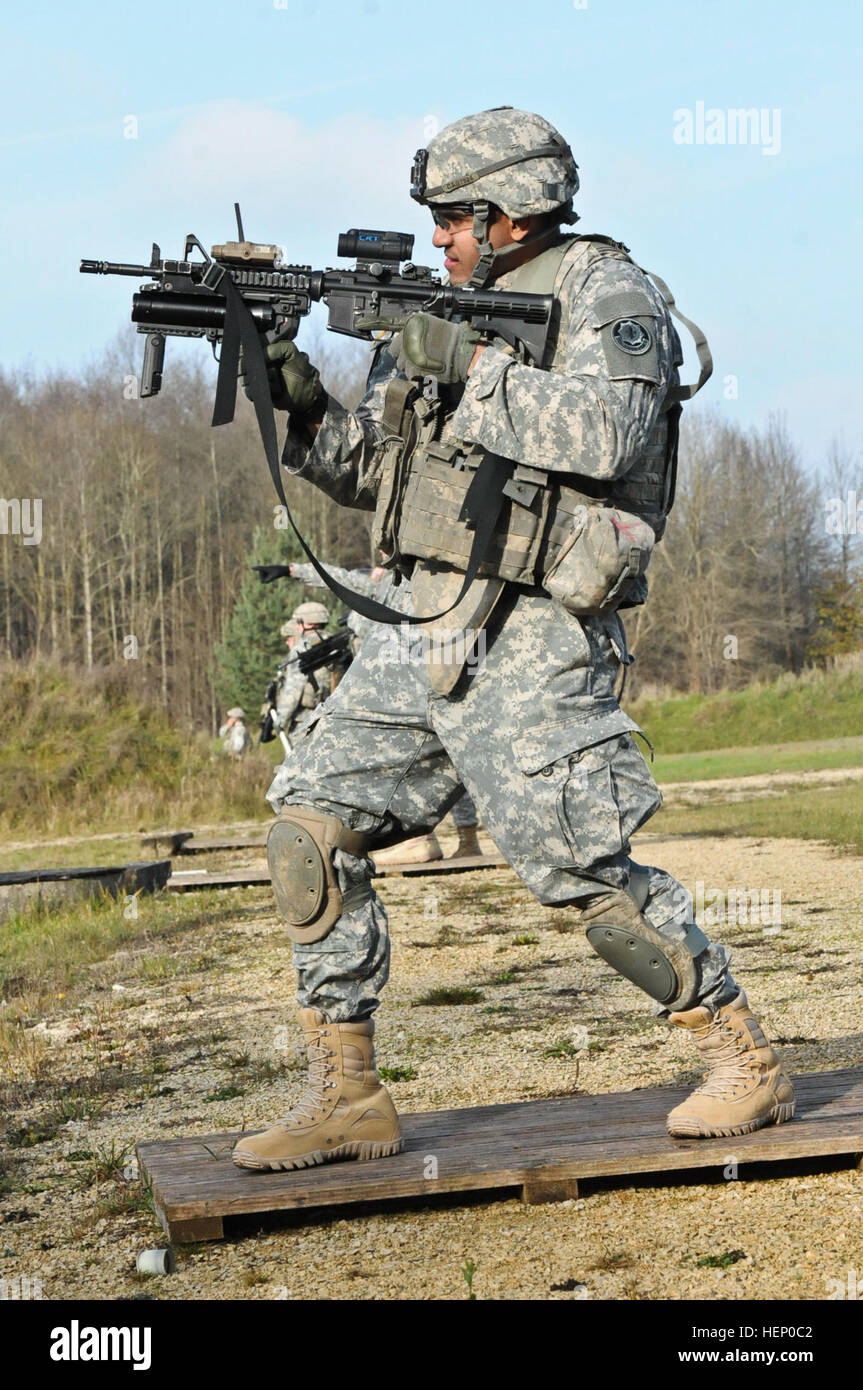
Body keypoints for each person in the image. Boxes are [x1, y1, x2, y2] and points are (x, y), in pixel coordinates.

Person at [232, 107, 794, 1172]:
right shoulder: (444, 308)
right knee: (306, 829)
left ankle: (738, 1056)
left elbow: (611, 432)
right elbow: (378, 473)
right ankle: (346, 1094)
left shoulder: (605, 294)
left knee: (579, 872)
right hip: (420, 621)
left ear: (510, 211)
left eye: (450, 219)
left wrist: (466, 363)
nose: (437, 239)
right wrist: (298, 403)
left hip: (532, 628)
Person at [280, 559, 483, 860]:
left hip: (401, 694)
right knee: (450, 765)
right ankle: (462, 839)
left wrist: (294, 571)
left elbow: (343, 579)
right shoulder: (413, 582)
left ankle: (417, 842)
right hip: (439, 681)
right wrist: (295, 571)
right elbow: (343, 578)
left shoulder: (396, 588)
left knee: (402, 771)